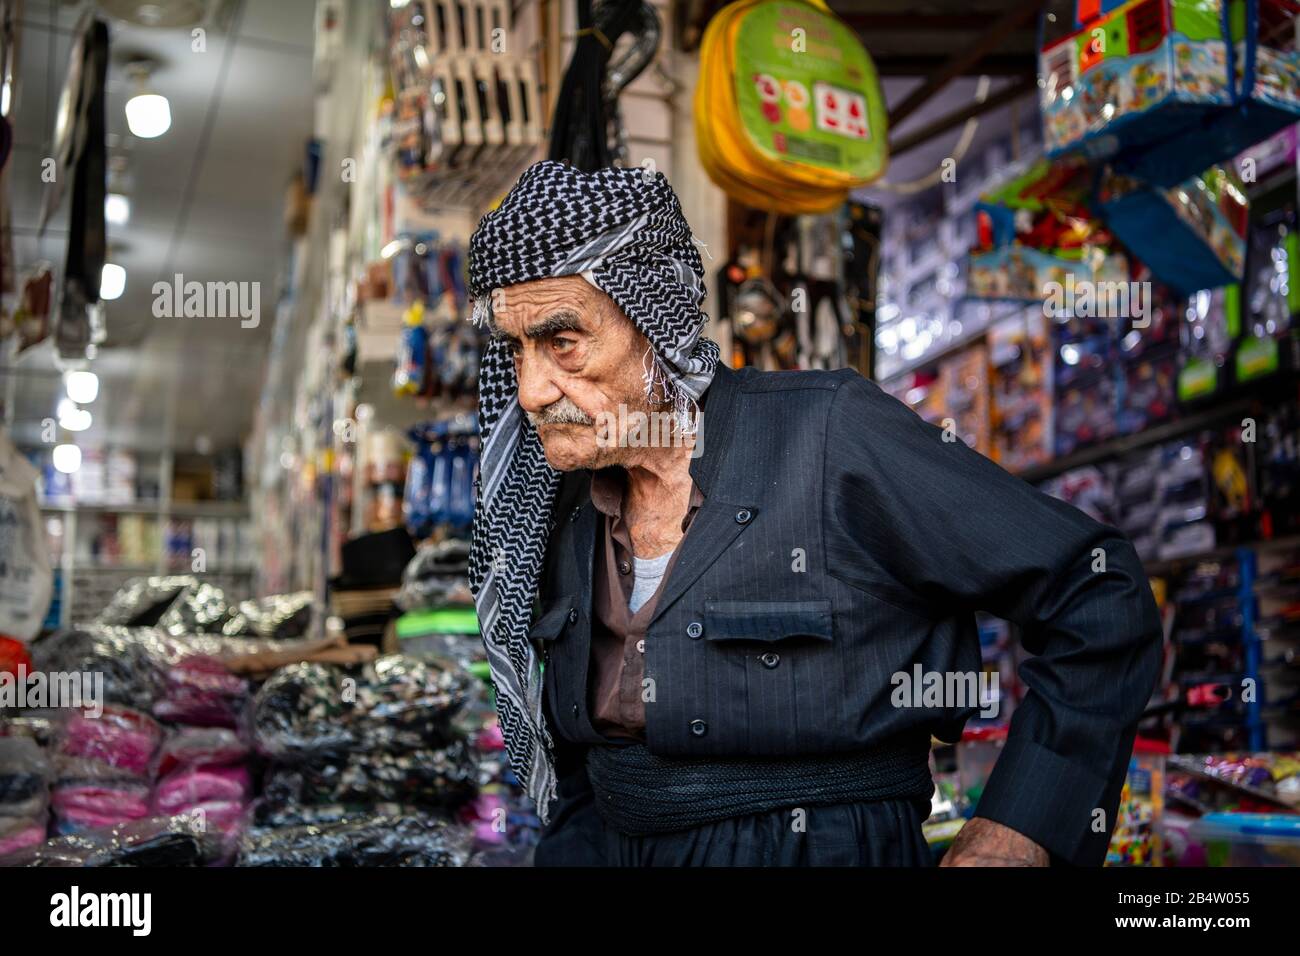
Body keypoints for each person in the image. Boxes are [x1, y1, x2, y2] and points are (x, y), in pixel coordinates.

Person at [467, 161, 1162, 866]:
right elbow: (586, 760)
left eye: (562, 343)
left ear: (655, 319)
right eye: (515, 349)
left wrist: (1019, 832)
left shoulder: (830, 433)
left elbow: (1097, 590)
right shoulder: (559, 499)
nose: (530, 390)